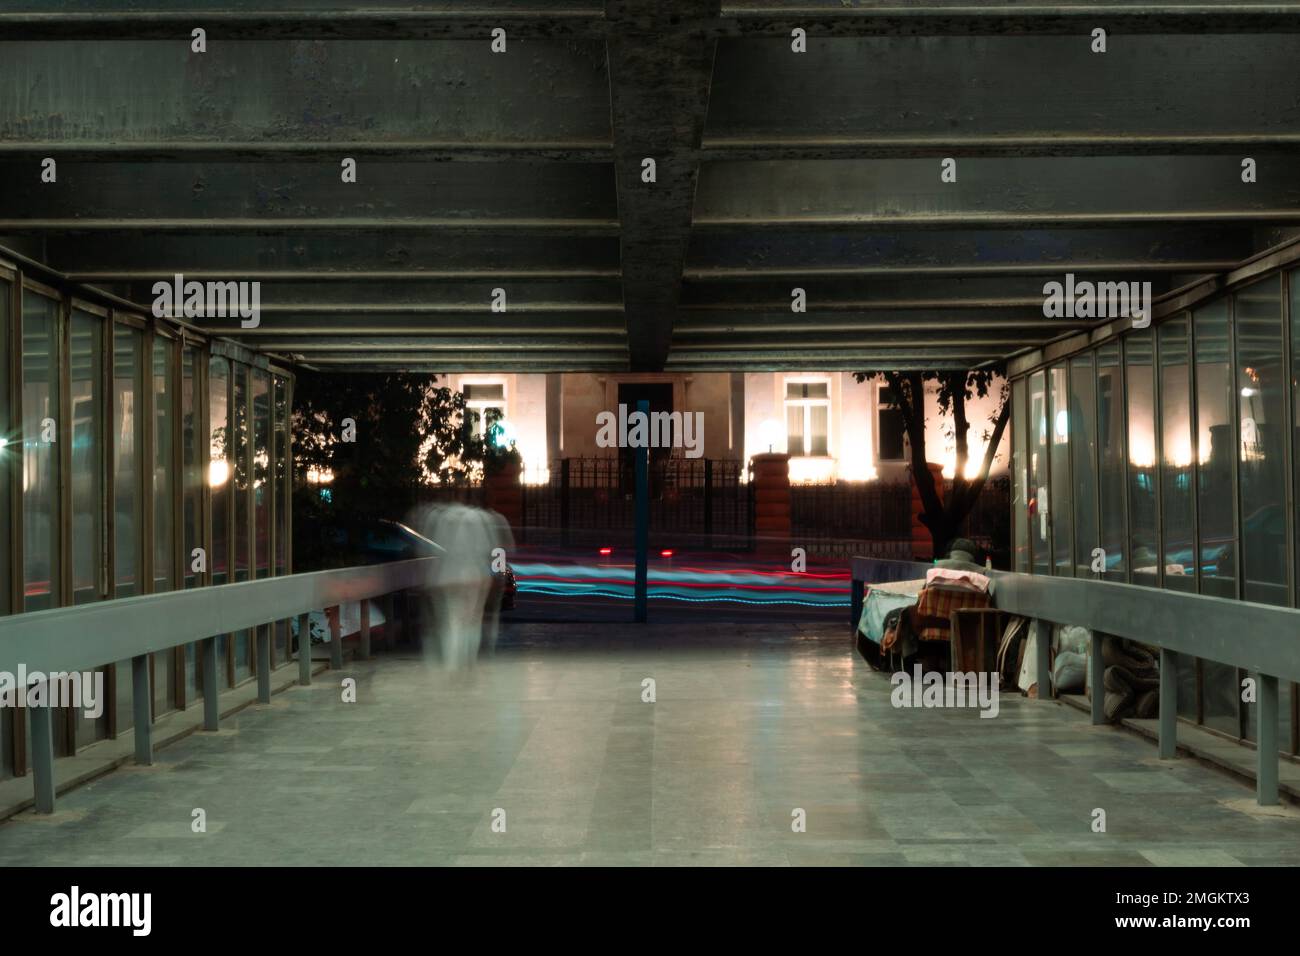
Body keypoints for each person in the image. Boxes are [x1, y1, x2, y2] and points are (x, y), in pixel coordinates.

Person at [417, 503, 496, 670]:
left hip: (447, 577)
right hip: (472, 576)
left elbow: (432, 550)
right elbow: (485, 550)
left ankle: (452, 663)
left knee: (451, 620)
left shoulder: (442, 518)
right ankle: (468, 661)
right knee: (472, 620)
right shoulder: (477, 518)